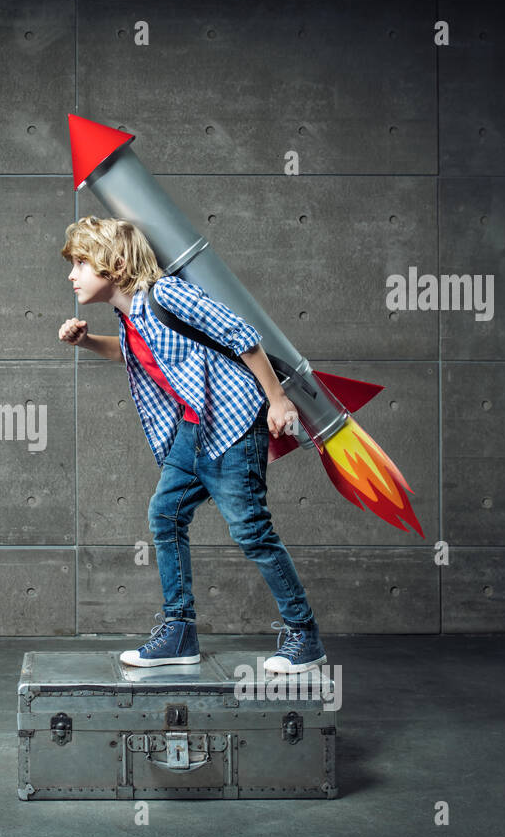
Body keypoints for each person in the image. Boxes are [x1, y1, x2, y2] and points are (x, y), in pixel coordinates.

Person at [58, 216, 325, 674]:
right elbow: (136, 354)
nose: (72, 274)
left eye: (82, 262)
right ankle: (180, 632)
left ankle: (305, 635)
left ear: (115, 263)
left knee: (251, 530)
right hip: (193, 428)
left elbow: (243, 336)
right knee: (165, 513)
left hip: (234, 421)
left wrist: (277, 400)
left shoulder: (167, 294)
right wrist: (87, 343)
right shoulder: (129, 314)